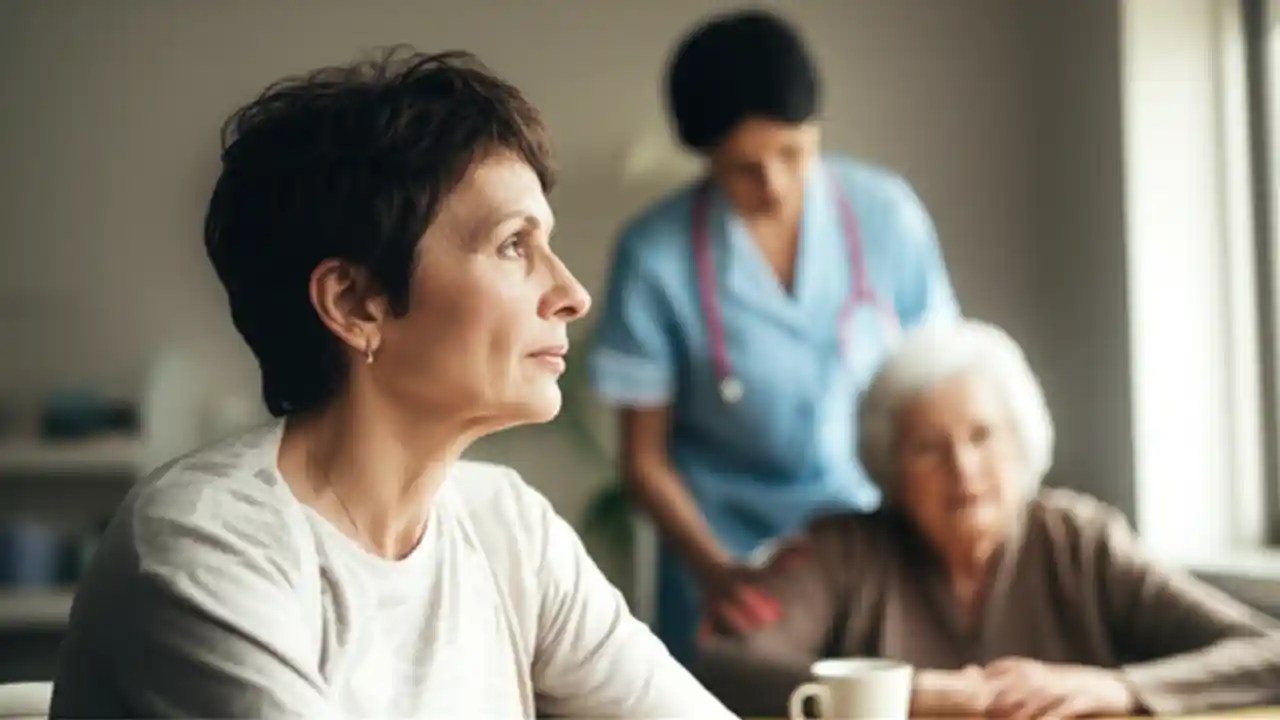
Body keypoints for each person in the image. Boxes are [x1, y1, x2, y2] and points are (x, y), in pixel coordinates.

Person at [49, 48, 732, 719]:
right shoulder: (204, 546)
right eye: (513, 245)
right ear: (355, 304)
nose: (573, 295)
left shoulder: (510, 528)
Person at [588, 9, 959, 662]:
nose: (775, 185)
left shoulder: (887, 216)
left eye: (793, 153)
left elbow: (940, 385)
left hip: (874, 542)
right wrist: (716, 572)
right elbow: (643, 461)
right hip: (727, 556)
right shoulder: (655, 257)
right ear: (704, 158)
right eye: (744, 167)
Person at [695, 319, 1280, 718]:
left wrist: (1120, 687)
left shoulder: (1081, 542)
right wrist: (914, 696)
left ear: (1021, 442)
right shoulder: (844, 551)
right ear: (892, 467)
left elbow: (1268, 652)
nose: (963, 468)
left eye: (982, 436)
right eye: (929, 447)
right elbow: (727, 665)